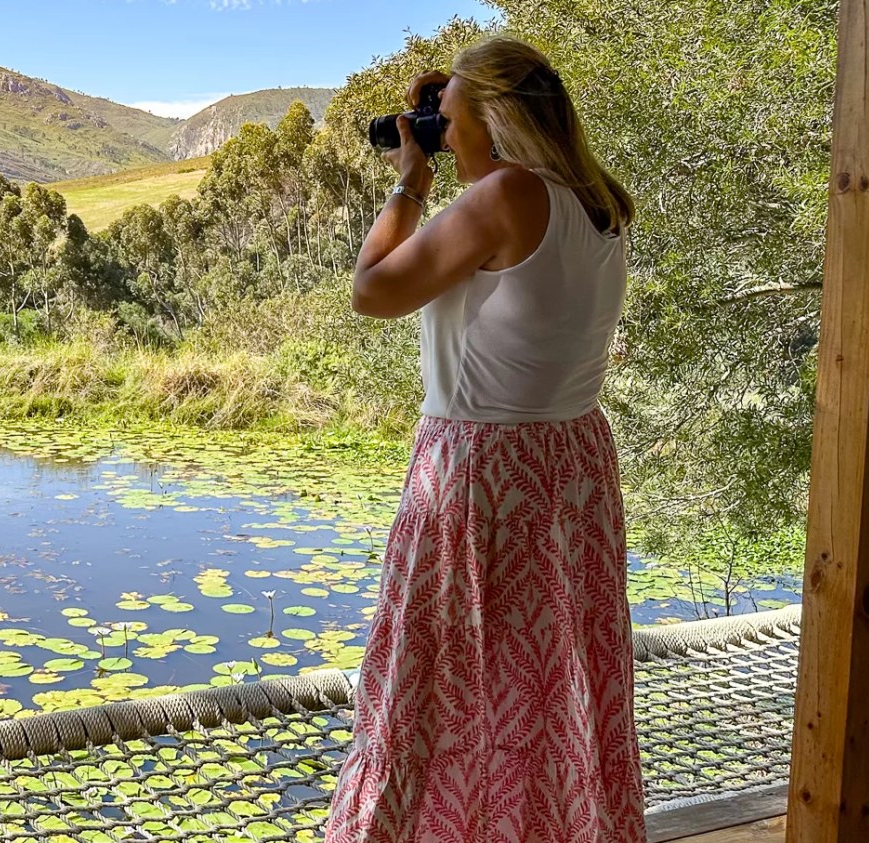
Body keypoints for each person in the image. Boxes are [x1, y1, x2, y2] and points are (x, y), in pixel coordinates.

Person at [325, 36, 646, 843]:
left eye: (454, 120)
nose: (445, 134)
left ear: (499, 123)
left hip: (483, 469)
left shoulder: (504, 195)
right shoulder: (599, 198)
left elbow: (373, 291)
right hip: (569, 464)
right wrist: (456, 101)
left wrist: (407, 183)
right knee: (549, 679)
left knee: (438, 679)